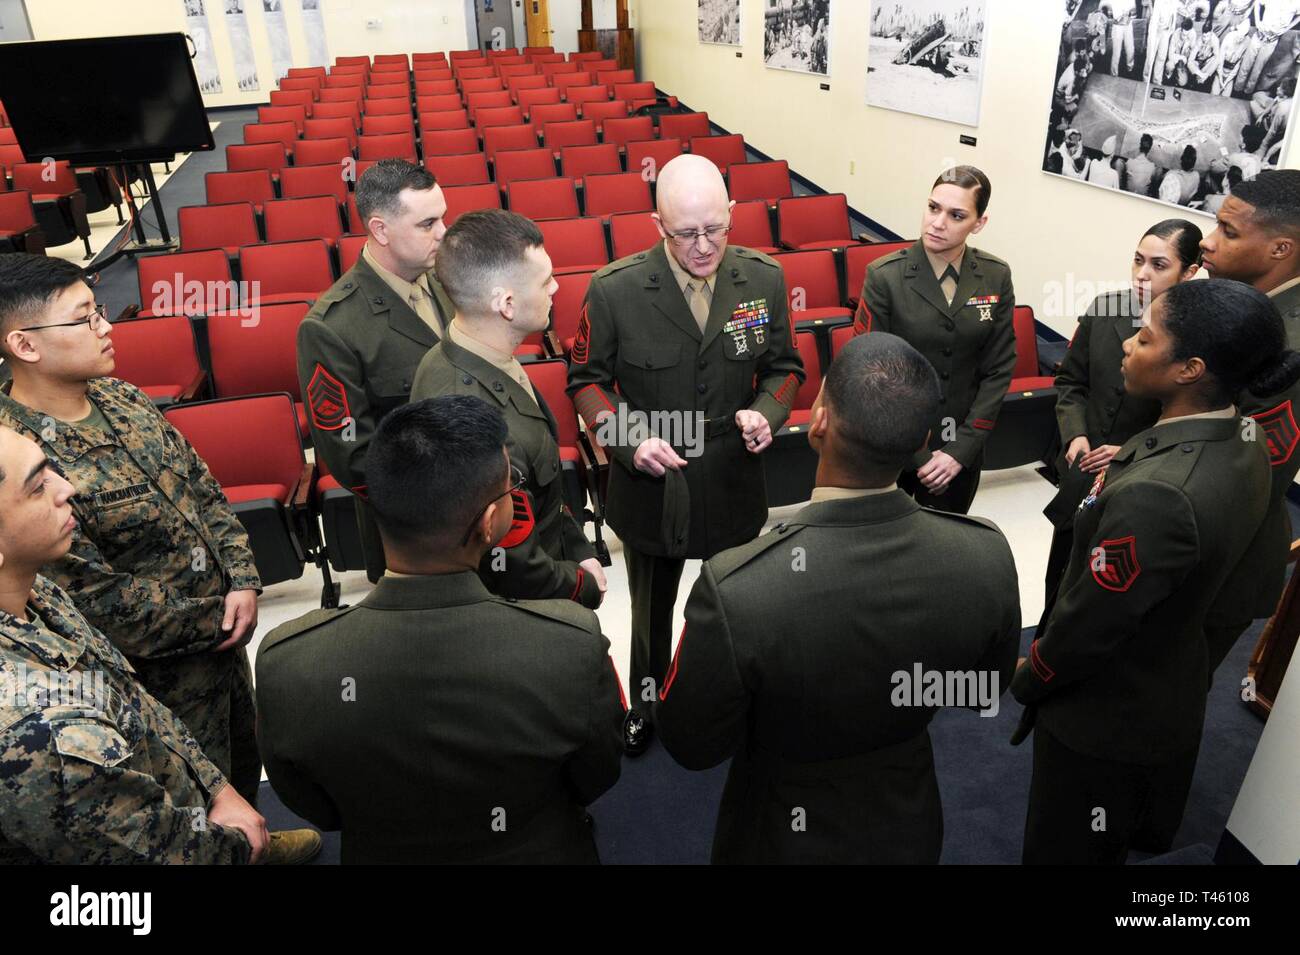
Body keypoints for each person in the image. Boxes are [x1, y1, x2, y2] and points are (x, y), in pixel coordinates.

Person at [654, 333, 1020, 864]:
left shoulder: (738, 586)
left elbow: (691, 744)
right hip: (909, 818)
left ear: (819, 421)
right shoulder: (984, 553)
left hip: (779, 831)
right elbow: (981, 691)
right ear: (920, 437)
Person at [0, 254, 317, 863]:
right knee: (176, 821)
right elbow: (93, 596)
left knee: (236, 777)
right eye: (85, 319)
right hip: (150, 678)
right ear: (24, 344)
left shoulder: (121, 398)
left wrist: (244, 581)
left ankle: (254, 845)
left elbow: (201, 487)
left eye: (99, 313)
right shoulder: (17, 461)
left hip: (223, 642)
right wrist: (215, 618)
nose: (106, 327)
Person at [255, 396, 625, 864]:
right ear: (489, 524)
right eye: (512, 486)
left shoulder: (287, 665)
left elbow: (317, 808)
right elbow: (596, 776)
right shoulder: (569, 645)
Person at [1012, 279, 1300, 865]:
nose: (1126, 348)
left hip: (1105, 714)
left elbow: (1089, 625)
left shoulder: (1159, 497)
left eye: (1144, 339)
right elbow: (1236, 575)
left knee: (1065, 848)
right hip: (1171, 682)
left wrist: (1030, 675)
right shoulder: (1243, 435)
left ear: (1189, 369)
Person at [566, 154, 803, 754]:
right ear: (658, 225)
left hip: (732, 472)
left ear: (730, 215)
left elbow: (784, 369)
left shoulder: (764, 278)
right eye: (686, 233)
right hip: (652, 480)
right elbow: (586, 382)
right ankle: (646, 701)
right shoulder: (614, 290)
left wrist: (766, 414)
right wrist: (627, 439)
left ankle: (730, 692)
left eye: (715, 229)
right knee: (651, 610)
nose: (703, 246)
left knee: (735, 601)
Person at [0, 426, 272, 864]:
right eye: (37, 486)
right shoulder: (35, 731)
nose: (67, 488)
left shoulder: (35, 594)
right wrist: (243, 844)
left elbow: (133, 699)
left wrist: (216, 788)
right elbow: (162, 852)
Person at [410, 209, 606, 608]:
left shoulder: (463, 350)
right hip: (525, 609)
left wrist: (577, 545)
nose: (555, 287)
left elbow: (541, 489)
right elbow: (513, 566)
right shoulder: (480, 424)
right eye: (544, 280)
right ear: (506, 303)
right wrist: (581, 584)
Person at [296, 159, 453, 582]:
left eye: (443, 218)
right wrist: (449, 495)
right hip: (410, 534)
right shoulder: (332, 327)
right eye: (428, 224)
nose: (443, 233)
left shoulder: (448, 280)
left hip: (486, 513)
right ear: (381, 229)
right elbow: (351, 454)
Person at [1041, 219, 1203, 629]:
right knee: (1060, 569)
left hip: (1141, 480)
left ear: (1189, 273)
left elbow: (1198, 423)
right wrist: (1074, 434)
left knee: (1105, 590)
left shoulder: (1200, 339)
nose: (1142, 274)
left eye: (1158, 265)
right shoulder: (1104, 309)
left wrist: (1132, 452)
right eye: (1137, 260)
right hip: (1083, 469)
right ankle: (1043, 646)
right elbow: (1071, 383)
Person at [854, 166, 1017, 514]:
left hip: (960, 450)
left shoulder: (995, 275)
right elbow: (868, 371)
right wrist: (919, 456)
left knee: (944, 548)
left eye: (956, 215)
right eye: (933, 208)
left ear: (979, 223)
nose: (938, 222)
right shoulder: (885, 276)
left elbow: (999, 368)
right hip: (891, 446)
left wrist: (961, 450)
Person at [1198, 170, 1300, 672]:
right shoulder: (1244, 306)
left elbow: (1248, 474)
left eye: (1229, 233)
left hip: (1216, 561)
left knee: (1152, 706)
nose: (1208, 243)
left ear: (1280, 250)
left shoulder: (1286, 346)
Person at [1144, 0, 1182, 81]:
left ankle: (1157, 80)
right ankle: (1146, 79)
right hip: (1156, 32)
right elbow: (1154, 20)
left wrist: (1170, 31)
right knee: (1150, 57)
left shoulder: (1174, 2)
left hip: (1166, 32)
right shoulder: (1159, 2)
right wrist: (1154, 34)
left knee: (1161, 57)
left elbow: (1176, 13)